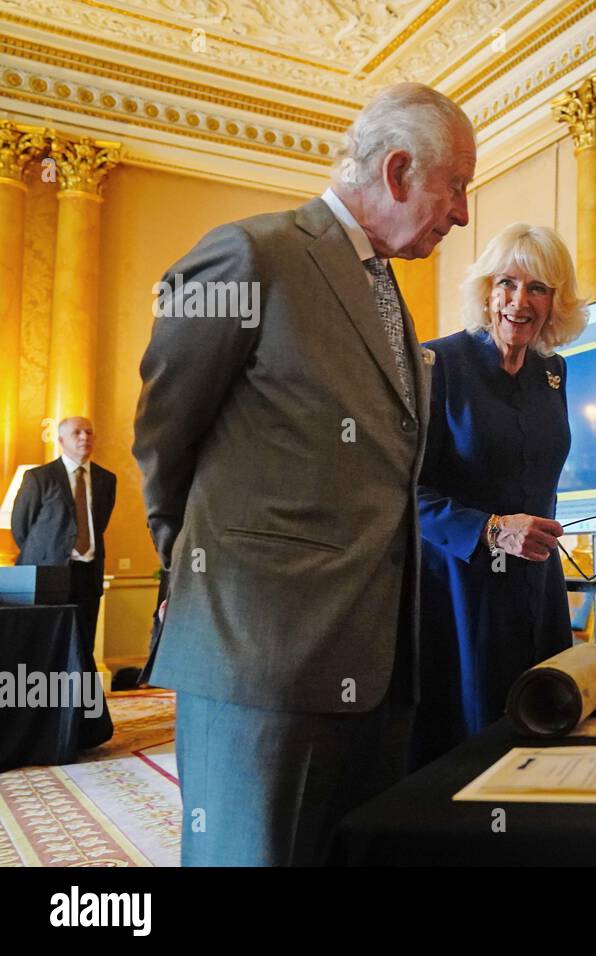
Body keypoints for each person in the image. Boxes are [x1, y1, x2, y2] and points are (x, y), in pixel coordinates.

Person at [132, 82, 476, 865]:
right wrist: (208, 574)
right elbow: (163, 435)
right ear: (396, 172)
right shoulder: (252, 255)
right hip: (262, 659)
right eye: (456, 185)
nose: (461, 212)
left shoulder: (387, 289)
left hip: (376, 663)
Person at [410, 222, 587, 767]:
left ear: (555, 302)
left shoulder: (553, 373)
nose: (519, 301)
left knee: (546, 731)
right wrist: (491, 529)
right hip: (459, 592)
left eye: (538, 288)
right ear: (486, 290)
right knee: (473, 745)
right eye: (507, 283)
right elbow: (405, 491)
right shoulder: (436, 365)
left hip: (537, 586)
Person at [12, 417, 116, 663]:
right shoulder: (39, 477)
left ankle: (77, 700)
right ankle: (41, 699)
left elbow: (99, 522)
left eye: (89, 432)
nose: (84, 437)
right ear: (60, 440)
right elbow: (21, 528)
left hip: (88, 573)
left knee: (82, 644)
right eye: (77, 433)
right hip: (47, 573)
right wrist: (48, 552)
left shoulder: (106, 479)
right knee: (44, 643)